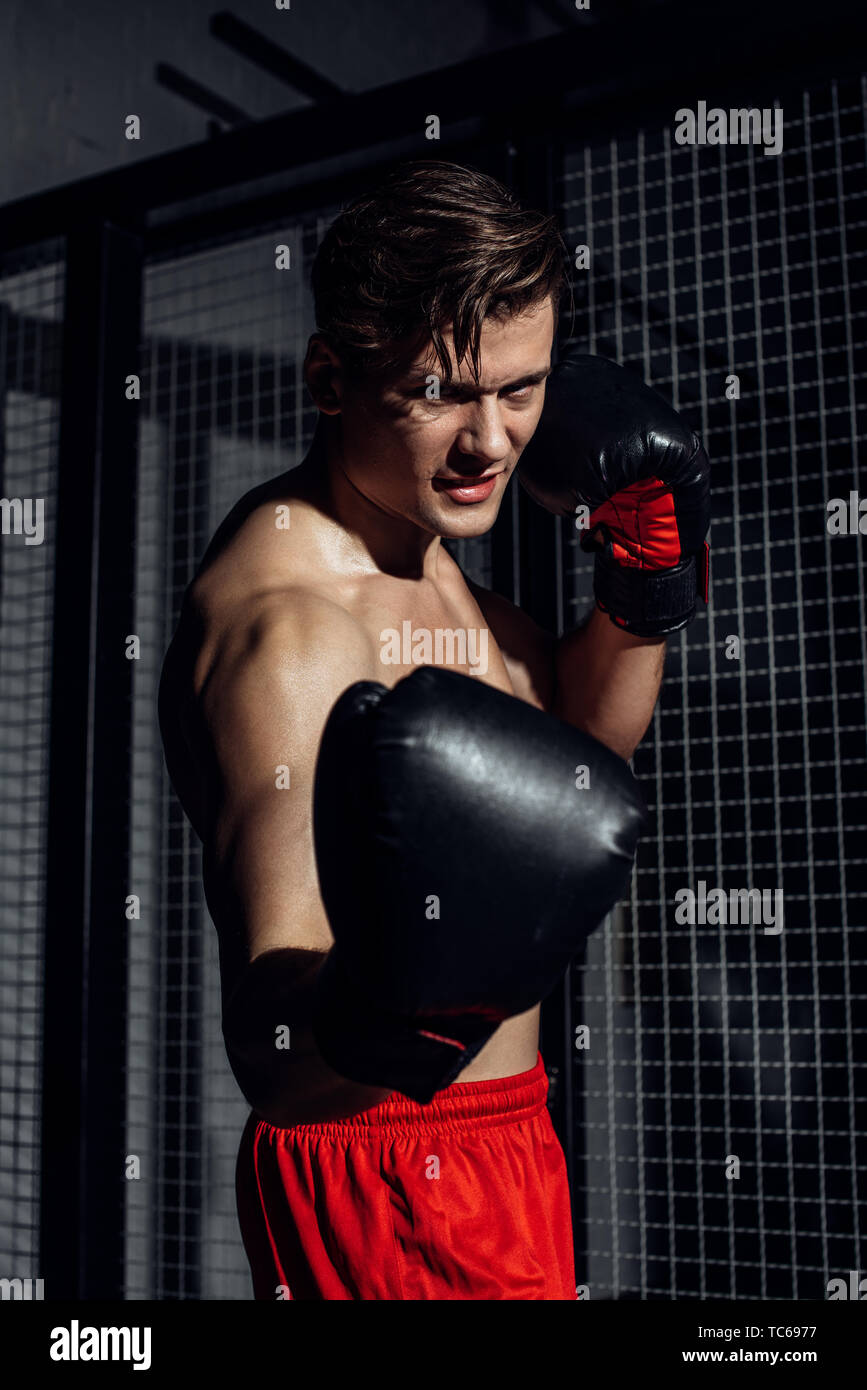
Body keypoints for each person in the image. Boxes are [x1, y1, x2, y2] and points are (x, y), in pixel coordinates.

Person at [158, 159, 709, 1300]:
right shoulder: (295, 632)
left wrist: (643, 583)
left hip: (504, 1140)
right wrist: (410, 998)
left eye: (521, 390)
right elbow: (277, 1056)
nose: (492, 443)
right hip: (390, 1171)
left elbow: (582, 757)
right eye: (444, 391)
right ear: (330, 376)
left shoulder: (436, 571)